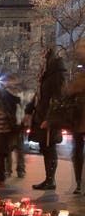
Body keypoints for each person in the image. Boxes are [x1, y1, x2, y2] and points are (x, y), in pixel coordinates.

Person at [25, 47, 67, 191]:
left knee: (50, 147)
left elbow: (57, 99)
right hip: (41, 116)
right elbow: (39, 96)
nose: (41, 60)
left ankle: (51, 180)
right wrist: (29, 110)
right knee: (45, 147)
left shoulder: (56, 75)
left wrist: (50, 119)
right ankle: (48, 179)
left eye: (43, 56)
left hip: (49, 119)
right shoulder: (46, 76)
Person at [64, 58, 85, 193]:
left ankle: (79, 183)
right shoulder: (78, 80)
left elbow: (68, 96)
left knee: (77, 153)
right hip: (78, 121)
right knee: (77, 153)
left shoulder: (78, 80)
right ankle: (79, 183)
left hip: (78, 122)